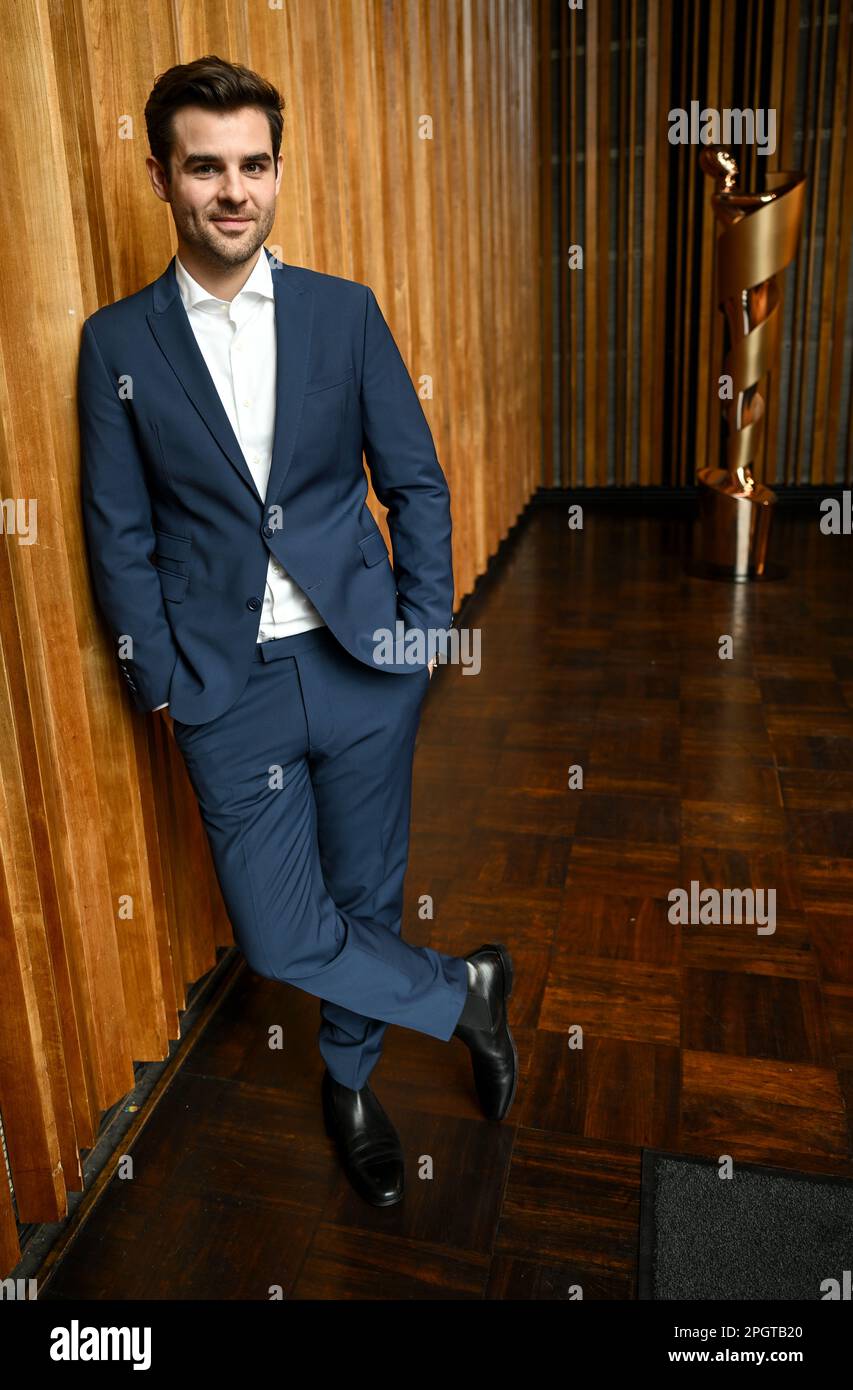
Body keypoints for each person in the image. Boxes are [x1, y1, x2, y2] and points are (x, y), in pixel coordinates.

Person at [77, 54, 517, 1208]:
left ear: (278, 172)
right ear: (161, 178)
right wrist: (161, 680)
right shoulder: (117, 346)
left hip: (364, 662)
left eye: (254, 165)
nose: (234, 190)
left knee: (365, 894)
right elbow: (117, 532)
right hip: (231, 686)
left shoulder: (342, 312)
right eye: (205, 167)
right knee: (281, 934)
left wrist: (421, 639)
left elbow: (416, 486)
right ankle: (462, 990)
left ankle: (353, 1086)